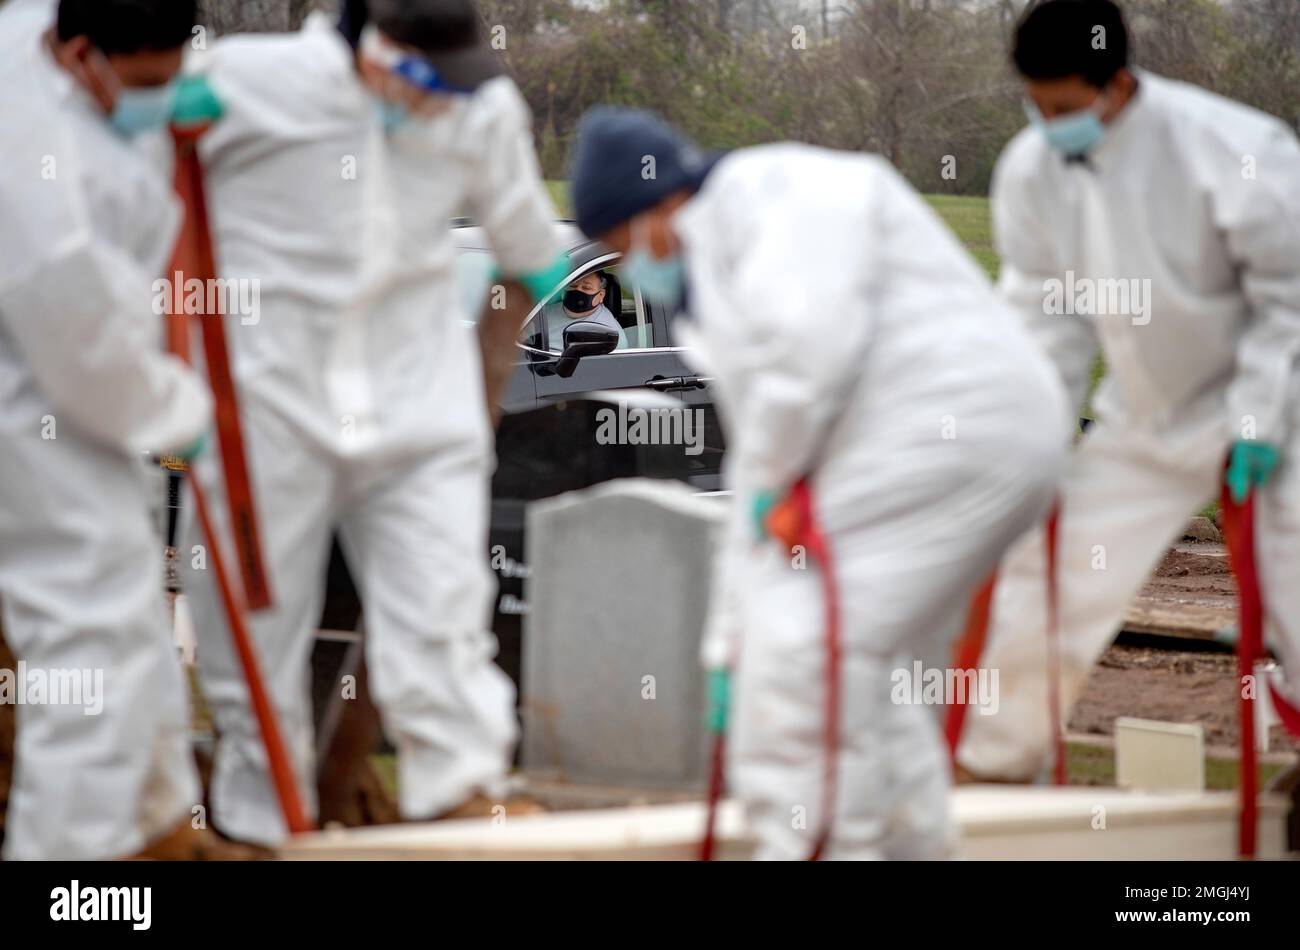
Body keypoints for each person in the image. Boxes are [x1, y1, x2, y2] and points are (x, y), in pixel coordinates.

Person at [568, 108, 1070, 859]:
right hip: (928, 443)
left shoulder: (782, 197)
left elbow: (803, 366)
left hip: (952, 432)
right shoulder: (717, 267)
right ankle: (909, 846)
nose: (628, 263)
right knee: (869, 667)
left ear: (661, 203)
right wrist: (722, 643)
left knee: (805, 658)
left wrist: (772, 488)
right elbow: (756, 464)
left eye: (621, 243)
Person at [180, 0, 567, 846]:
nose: (440, 101)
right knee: (253, 618)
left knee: (443, 601)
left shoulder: (482, 107)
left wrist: (476, 398)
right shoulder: (245, 84)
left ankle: (458, 787)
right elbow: (141, 179)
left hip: (418, 406)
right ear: (373, 46)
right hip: (266, 404)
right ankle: (260, 816)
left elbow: (529, 254)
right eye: (425, 81)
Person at [956, 0, 1300, 782]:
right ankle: (999, 768)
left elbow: (1289, 302)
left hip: (1278, 411)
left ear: (1117, 84)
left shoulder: (1237, 150)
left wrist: (1254, 418)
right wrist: (1033, 436)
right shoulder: (1030, 171)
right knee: (1049, 580)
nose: (1049, 124)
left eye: (1067, 108)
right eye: (1035, 105)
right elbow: (1045, 319)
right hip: (1146, 422)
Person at [0, 0, 249, 860]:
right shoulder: (29, 154)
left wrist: (190, 96)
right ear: (77, 57)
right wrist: (184, 413)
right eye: (142, 84)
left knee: (130, 613)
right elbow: (76, 335)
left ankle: (154, 832)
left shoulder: (64, 30)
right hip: (33, 396)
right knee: (88, 633)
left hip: (86, 385)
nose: (158, 94)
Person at [544, 272, 624, 351]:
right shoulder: (543, 312)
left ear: (601, 295)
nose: (578, 290)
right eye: (573, 285)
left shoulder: (609, 331)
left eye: (586, 288)